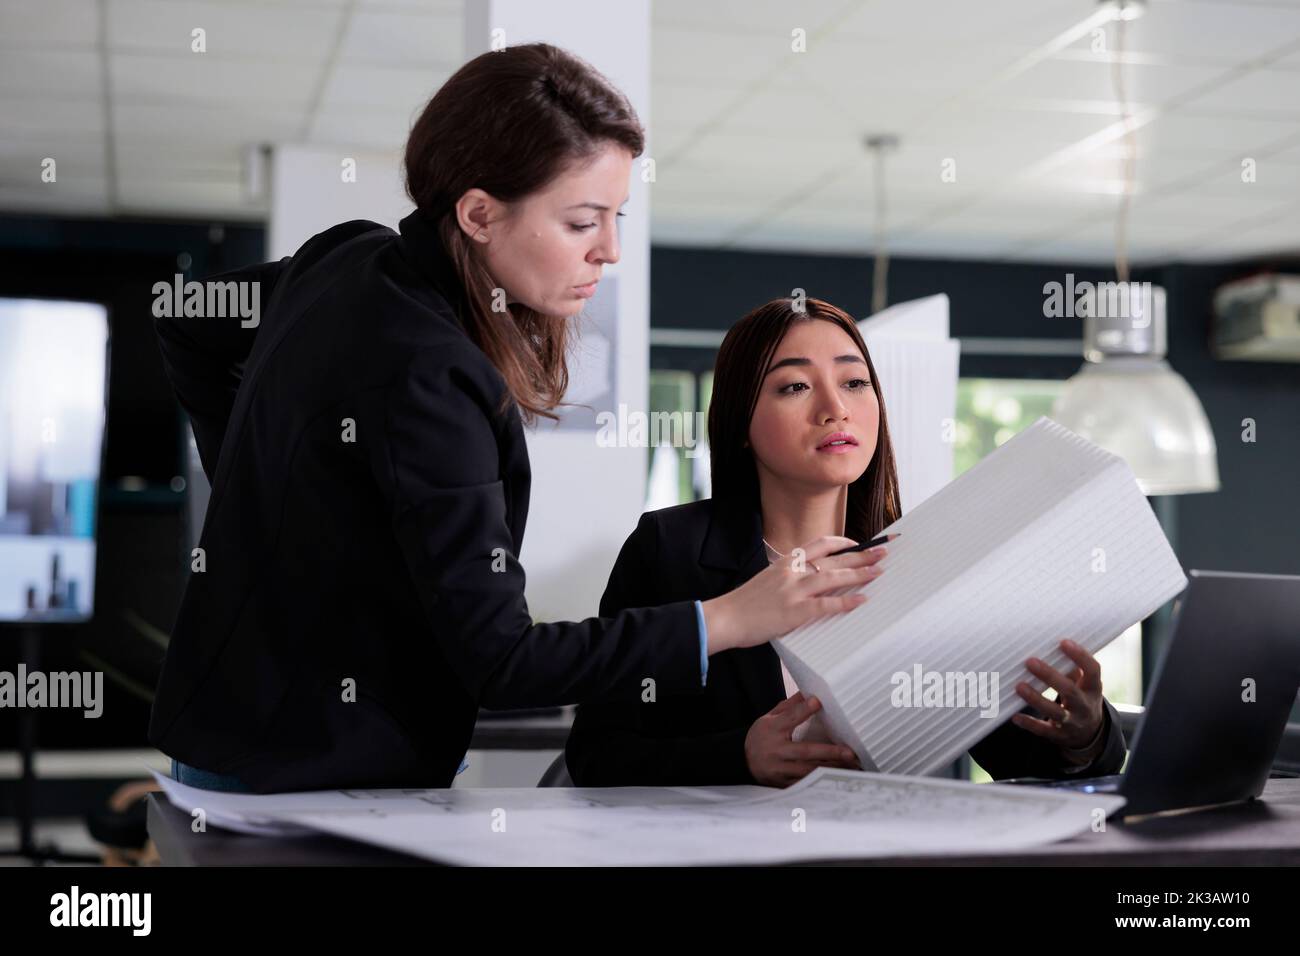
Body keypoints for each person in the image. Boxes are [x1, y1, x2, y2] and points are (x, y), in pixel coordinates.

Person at [149, 45, 881, 793]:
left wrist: (257, 487)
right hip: (303, 773)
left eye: (616, 216)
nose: (612, 250)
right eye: (581, 222)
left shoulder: (350, 255)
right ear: (478, 214)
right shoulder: (431, 374)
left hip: (236, 737)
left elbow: (181, 319)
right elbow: (502, 661)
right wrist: (725, 620)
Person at [565, 296, 1126, 787]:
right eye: (795, 386)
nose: (835, 407)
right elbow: (597, 755)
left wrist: (1083, 734)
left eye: (854, 381)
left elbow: (1016, 757)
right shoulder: (670, 551)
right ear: (740, 420)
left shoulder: (916, 563)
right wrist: (738, 756)